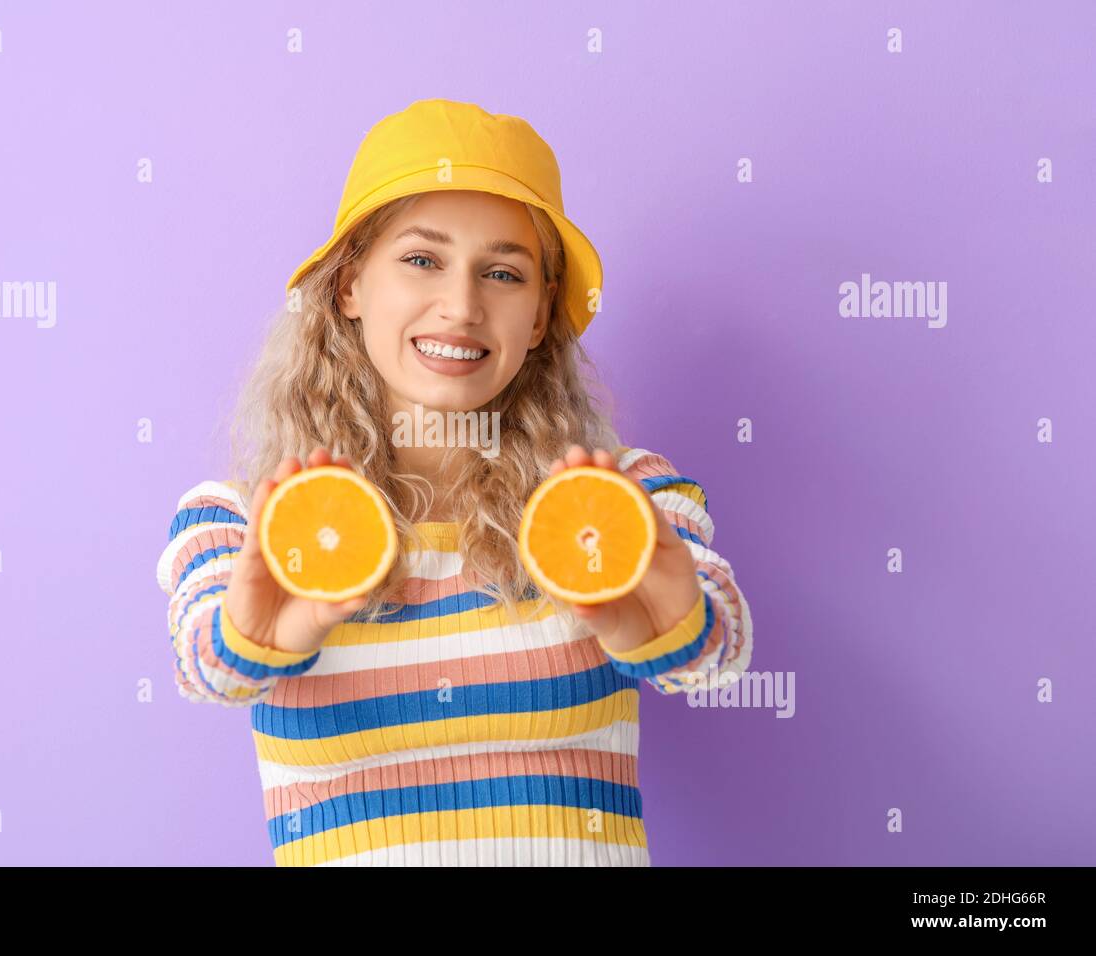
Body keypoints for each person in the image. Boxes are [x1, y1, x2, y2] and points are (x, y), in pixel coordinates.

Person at [155, 98, 753, 866]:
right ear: (349, 287)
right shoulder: (241, 524)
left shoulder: (621, 502)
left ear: (539, 317)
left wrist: (670, 623)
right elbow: (203, 667)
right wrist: (257, 639)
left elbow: (718, 655)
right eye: (421, 259)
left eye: (503, 273)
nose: (463, 306)